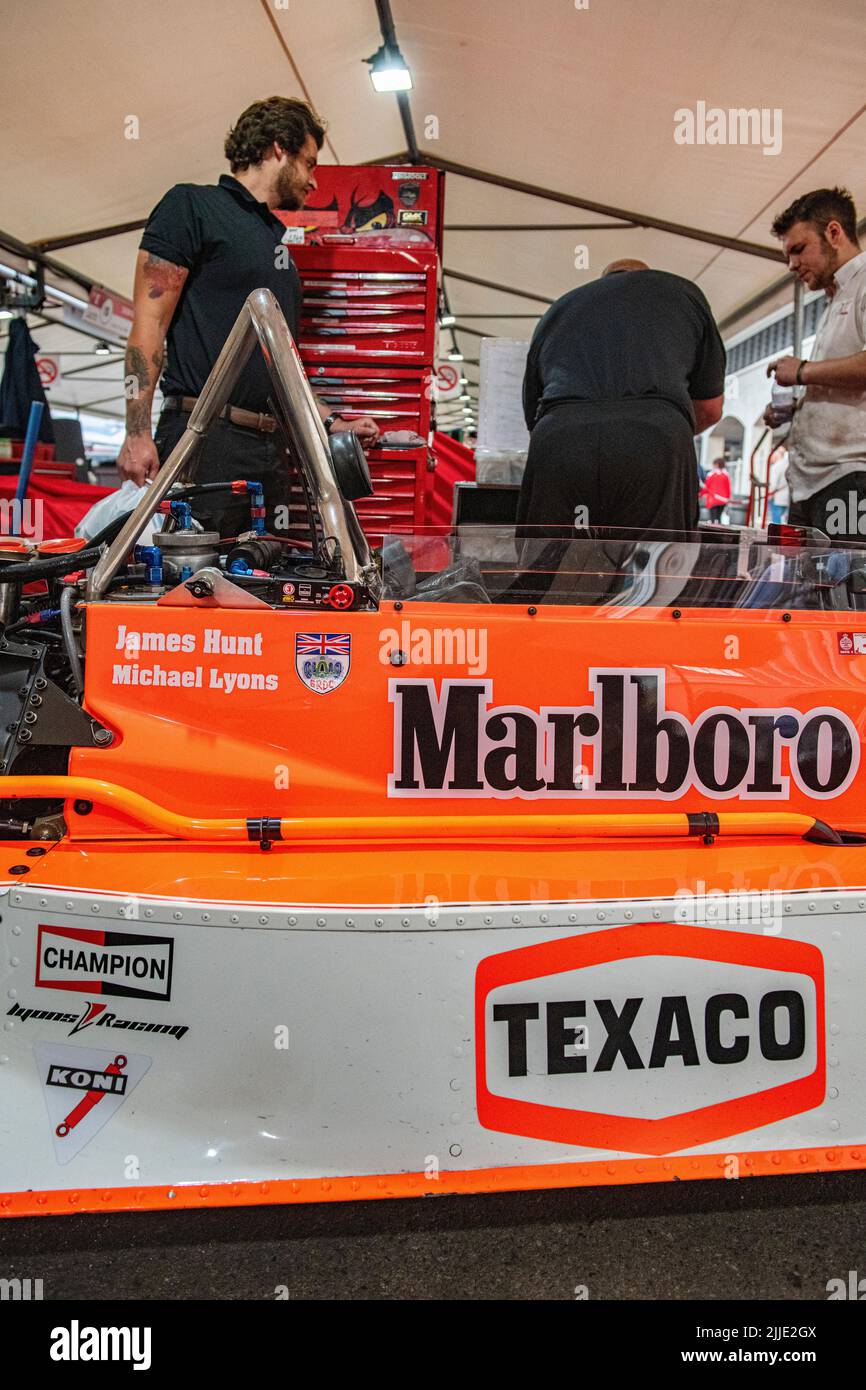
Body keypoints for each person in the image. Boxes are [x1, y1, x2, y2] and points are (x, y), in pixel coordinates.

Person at [116, 96, 379, 537]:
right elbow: (149, 325)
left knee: (259, 584)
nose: (314, 182)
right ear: (279, 148)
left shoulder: (274, 245)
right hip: (203, 439)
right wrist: (137, 432)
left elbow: (281, 366)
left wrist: (333, 422)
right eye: (310, 164)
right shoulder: (191, 207)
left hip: (268, 452)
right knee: (195, 585)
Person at [517, 260, 725, 538]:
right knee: (654, 568)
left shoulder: (559, 309)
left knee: (548, 565)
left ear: (603, 280)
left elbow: (533, 414)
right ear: (646, 275)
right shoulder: (682, 293)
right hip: (655, 439)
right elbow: (710, 408)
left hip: (561, 440)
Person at [764, 187, 866, 542]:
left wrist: (803, 371)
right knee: (808, 592)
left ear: (834, 233)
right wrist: (795, 410)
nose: (792, 264)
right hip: (812, 482)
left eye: (798, 249)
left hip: (851, 478)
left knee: (846, 591)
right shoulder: (836, 298)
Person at [700, 456, 731, 522]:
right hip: (723, 500)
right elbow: (728, 488)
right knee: (719, 517)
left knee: (713, 518)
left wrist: (701, 494)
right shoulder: (726, 475)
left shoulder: (711, 474)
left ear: (716, 464)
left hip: (713, 498)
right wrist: (728, 498)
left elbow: (706, 486)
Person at [766, 446, 790, 525]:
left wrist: (768, 492)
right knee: (784, 520)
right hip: (787, 497)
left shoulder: (776, 467)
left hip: (776, 497)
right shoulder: (788, 465)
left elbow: (773, 485)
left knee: (776, 522)